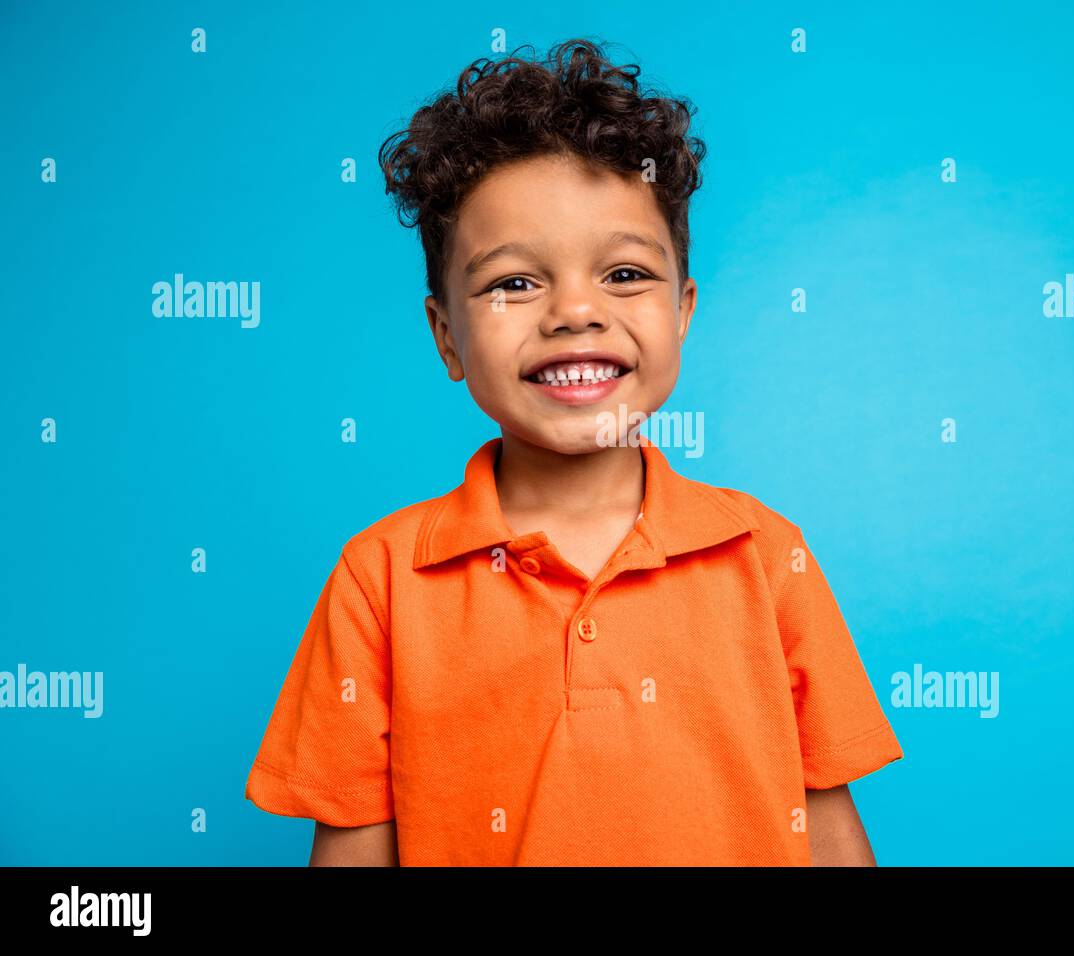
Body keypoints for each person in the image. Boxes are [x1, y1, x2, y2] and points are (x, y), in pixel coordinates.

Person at [244, 37, 903, 866]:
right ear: (446, 336)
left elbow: (829, 828)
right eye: (514, 283)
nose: (575, 312)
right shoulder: (379, 580)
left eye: (625, 274)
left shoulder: (766, 555)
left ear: (684, 312)